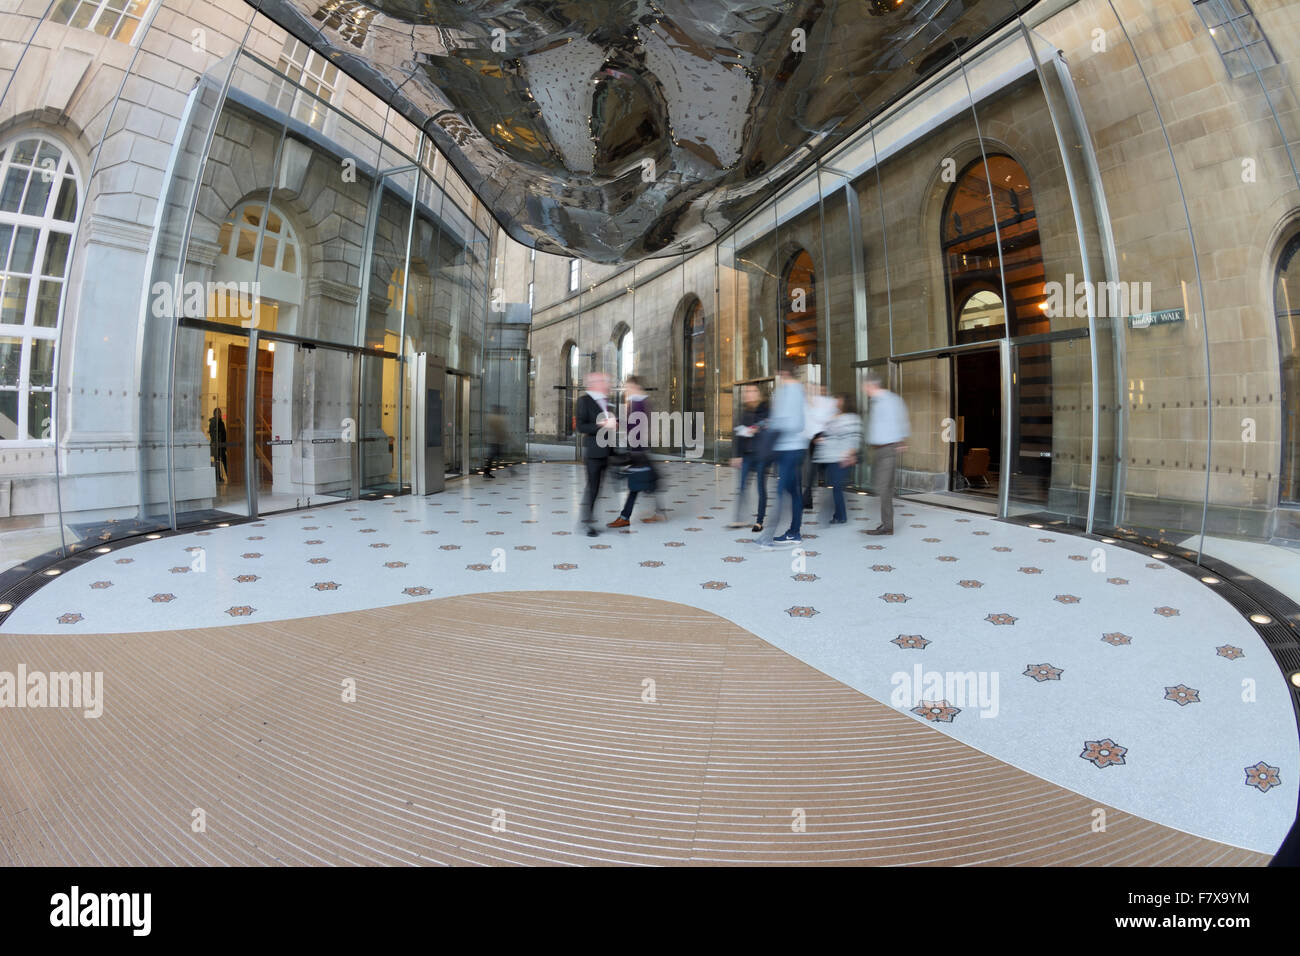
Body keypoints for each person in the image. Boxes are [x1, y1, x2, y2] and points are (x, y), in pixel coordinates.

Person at [608, 375, 667, 526]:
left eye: (628, 387)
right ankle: (657, 514)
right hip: (639, 449)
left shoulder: (637, 402)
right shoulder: (638, 401)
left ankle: (625, 517)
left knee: (636, 484)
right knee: (646, 482)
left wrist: (618, 424)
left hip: (638, 450)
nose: (626, 390)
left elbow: (634, 426)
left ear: (635, 386)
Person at [758, 366, 806, 549]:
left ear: (785, 373)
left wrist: (777, 424)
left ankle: (768, 536)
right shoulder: (785, 391)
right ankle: (795, 532)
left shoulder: (794, 392)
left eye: (779, 375)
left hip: (791, 450)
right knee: (793, 492)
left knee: (779, 491)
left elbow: (797, 423)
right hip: (785, 449)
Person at [862, 373, 909, 535]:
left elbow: (902, 420)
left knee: (883, 487)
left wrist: (901, 439)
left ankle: (887, 526)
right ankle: (887, 525)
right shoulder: (875, 402)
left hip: (888, 448)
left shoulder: (890, 400)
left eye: (865, 386)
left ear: (871, 385)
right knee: (884, 487)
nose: (864, 389)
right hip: (879, 450)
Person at [576, 371, 617, 536]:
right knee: (592, 488)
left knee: (597, 489)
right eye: (603, 381)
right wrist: (601, 425)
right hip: (593, 453)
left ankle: (589, 519)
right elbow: (581, 426)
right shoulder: (584, 401)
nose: (606, 384)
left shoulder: (607, 402)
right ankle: (586, 523)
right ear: (594, 383)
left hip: (606, 451)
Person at [813, 392, 861, 525]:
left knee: (837, 487)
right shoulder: (834, 416)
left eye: (839, 400)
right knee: (835, 487)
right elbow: (830, 435)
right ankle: (839, 515)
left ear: (845, 402)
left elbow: (855, 437)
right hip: (831, 457)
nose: (837, 402)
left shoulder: (852, 418)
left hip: (843, 458)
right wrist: (821, 440)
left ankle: (840, 516)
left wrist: (851, 454)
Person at [728, 383, 770, 531]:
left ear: (759, 394)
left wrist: (757, 429)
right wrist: (737, 456)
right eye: (747, 391)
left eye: (752, 391)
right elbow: (739, 436)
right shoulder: (744, 412)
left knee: (760, 488)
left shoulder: (765, 409)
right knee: (742, 487)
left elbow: (767, 426)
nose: (749, 394)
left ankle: (759, 521)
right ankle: (739, 519)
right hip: (747, 455)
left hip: (762, 455)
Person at [801, 382, 837, 511]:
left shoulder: (829, 403)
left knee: (824, 471)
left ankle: (835, 502)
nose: (820, 392)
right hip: (813, 440)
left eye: (822, 390)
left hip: (824, 439)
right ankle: (807, 500)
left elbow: (827, 420)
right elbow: (806, 421)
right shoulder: (809, 402)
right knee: (812, 472)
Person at [483, 405, 508, 478]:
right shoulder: (496, 418)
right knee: (494, 456)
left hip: (495, 440)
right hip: (496, 441)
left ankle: (486, 472)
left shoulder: (491, 417)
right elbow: (500, 430)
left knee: (493, 457)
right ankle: (486, 472)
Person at [208, 408, 228, 483]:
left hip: (222, 445)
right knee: (217, 461)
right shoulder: (213, 422)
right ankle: (218, 477)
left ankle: (227, 475)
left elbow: (224, 434)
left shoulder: (221, 423)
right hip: (216, 445)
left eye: (220, 413)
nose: (219, 414)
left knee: (224, 460)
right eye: (217, 413)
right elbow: (212, 435)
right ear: (214, 414)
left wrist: (225, 445)